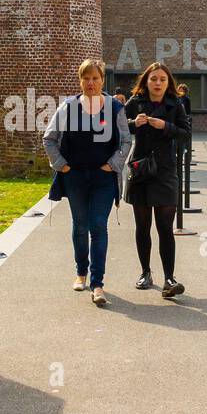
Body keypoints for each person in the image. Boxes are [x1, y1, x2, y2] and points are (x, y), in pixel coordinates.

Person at [43, 59, 131, 306]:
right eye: (86, 78)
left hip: (103, 177)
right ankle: (81, 271)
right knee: (80, 225)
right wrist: (62, 164)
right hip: (75, 177)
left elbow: (126, 141)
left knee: (98, 226)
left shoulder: (114, 107)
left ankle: (98, 284)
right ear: (80, 80)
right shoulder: (68, 107)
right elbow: (49, 138)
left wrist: (112, 164)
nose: (90, 83)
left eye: (95, 78)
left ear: (102, 80)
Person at [124, 61, 191, 298]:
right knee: (143, 226)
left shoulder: (176, 104)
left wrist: (166, 126)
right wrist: (134, 123)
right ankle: (145, 272)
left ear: (168, 83)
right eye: (153, 79)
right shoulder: (135, 102)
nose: (158, 83)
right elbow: (119, 128)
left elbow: (185, 134)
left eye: (162, 79)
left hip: (164, 171)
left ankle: (169, 279)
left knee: (165, 227)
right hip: (141, 169)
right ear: (146, 81)